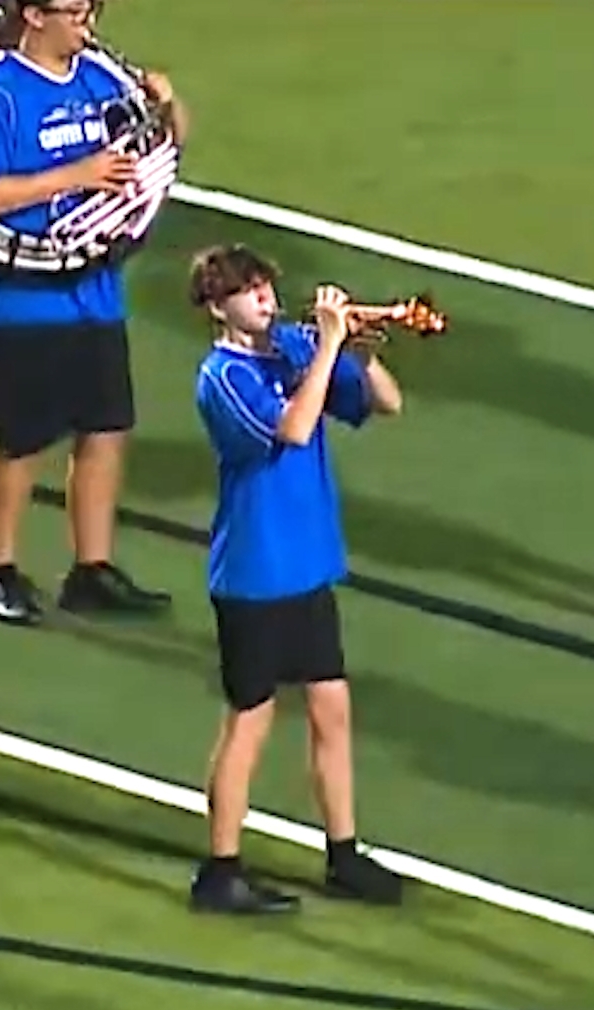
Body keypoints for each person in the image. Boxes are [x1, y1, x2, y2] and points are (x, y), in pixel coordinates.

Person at [0, 0, 188, 626]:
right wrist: (76, 175)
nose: (87, 21)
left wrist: (169, 109)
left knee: (105, 431)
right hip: (23, 299)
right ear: (33, 14)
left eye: (90, 8)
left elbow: (162, 149)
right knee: (22, 442)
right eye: (74, 9)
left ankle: (92, 568)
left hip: (96, 289)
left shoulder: (101, 79)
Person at [187, 243, 406, 914]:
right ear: (215, 307)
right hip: (255, 573)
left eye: (264, 286)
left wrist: (358, 347)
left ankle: (343, 854)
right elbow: (293, 425)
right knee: (249, 723)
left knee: (332, 709)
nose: (264, 299)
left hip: (306, 566)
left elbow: (386, 403)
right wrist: (325, 348)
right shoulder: (221, 377)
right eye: (247, 291)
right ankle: (220, 871)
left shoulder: (289, 346)